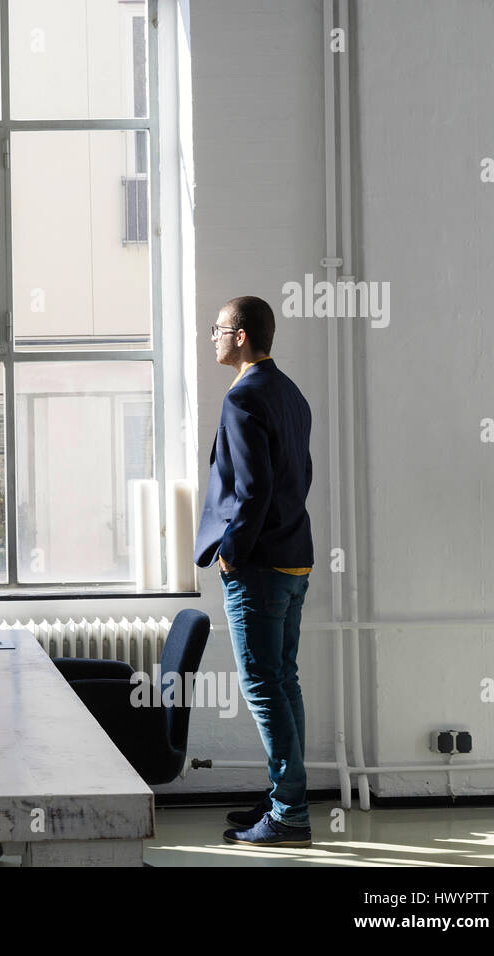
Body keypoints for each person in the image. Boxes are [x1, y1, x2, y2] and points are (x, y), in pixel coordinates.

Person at [194, 295, 314, 847]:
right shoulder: (290, 394)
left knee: (264, 686)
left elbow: (254, 488)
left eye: (218, 329)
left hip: (259, 565)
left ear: (241, 337)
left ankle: (289, 813)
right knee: (283, 680)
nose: (212, 337)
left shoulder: (243, 398)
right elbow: (298, 477)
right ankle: (283, 799)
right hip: (294, 557)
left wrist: (233, 552)